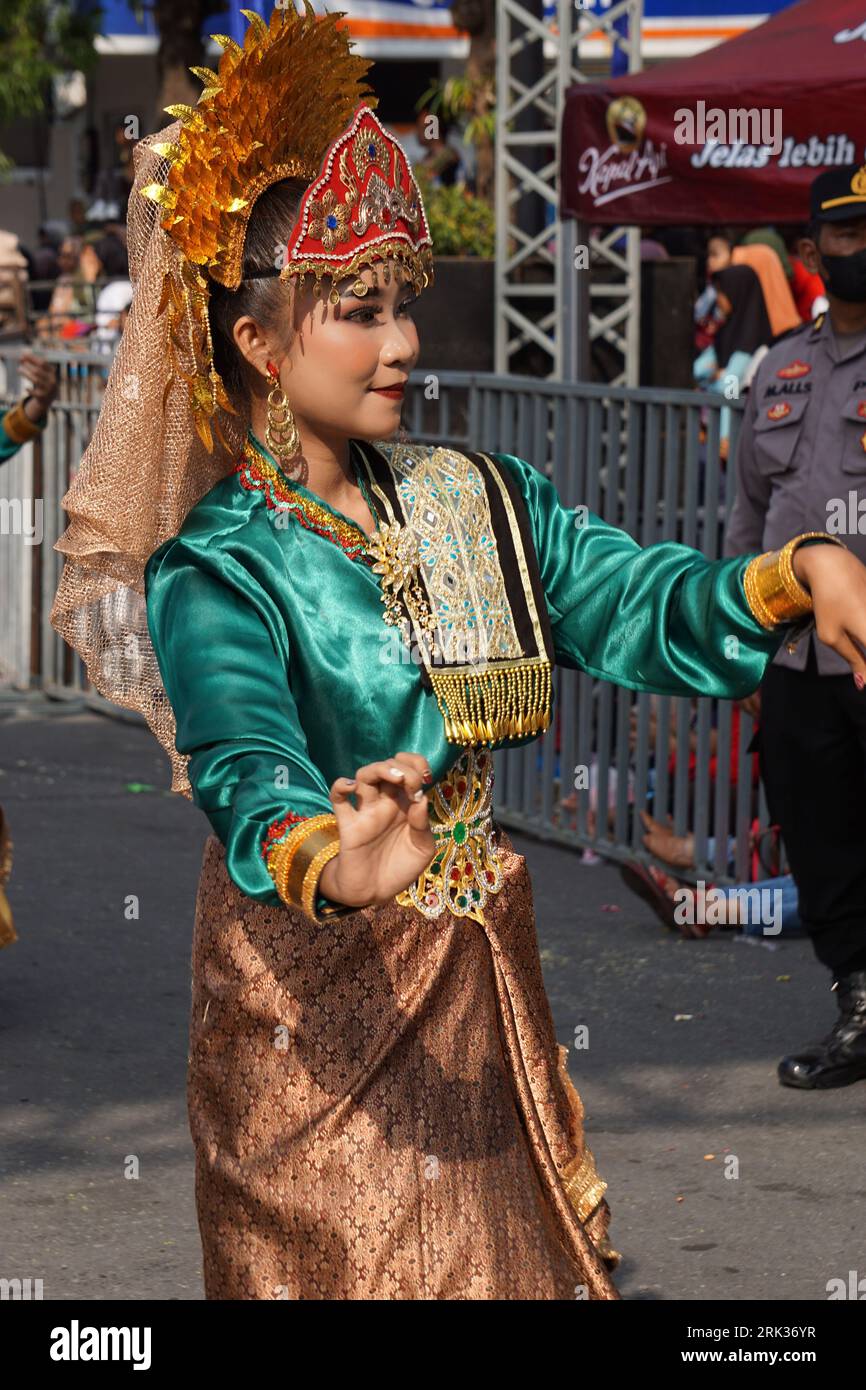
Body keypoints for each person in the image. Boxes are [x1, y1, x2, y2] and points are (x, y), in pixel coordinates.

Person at [49, 5, 866, 1300]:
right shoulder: (222, 564)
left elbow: (633, 598)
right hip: (307, 1012)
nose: (404, 343)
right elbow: (241, 754)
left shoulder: (475, 493)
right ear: (257, 345)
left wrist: (790, 569)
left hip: (477, 981)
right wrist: (327, 849)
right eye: (356, 312)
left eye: (400, 305)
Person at [725, 163, 866, 1091]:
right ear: (813, 251)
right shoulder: (779, 366)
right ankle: (858, 1006)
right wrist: (735, 635)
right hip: (790, 650)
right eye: (851, 237)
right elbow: (743, 517)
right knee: (816, 832)